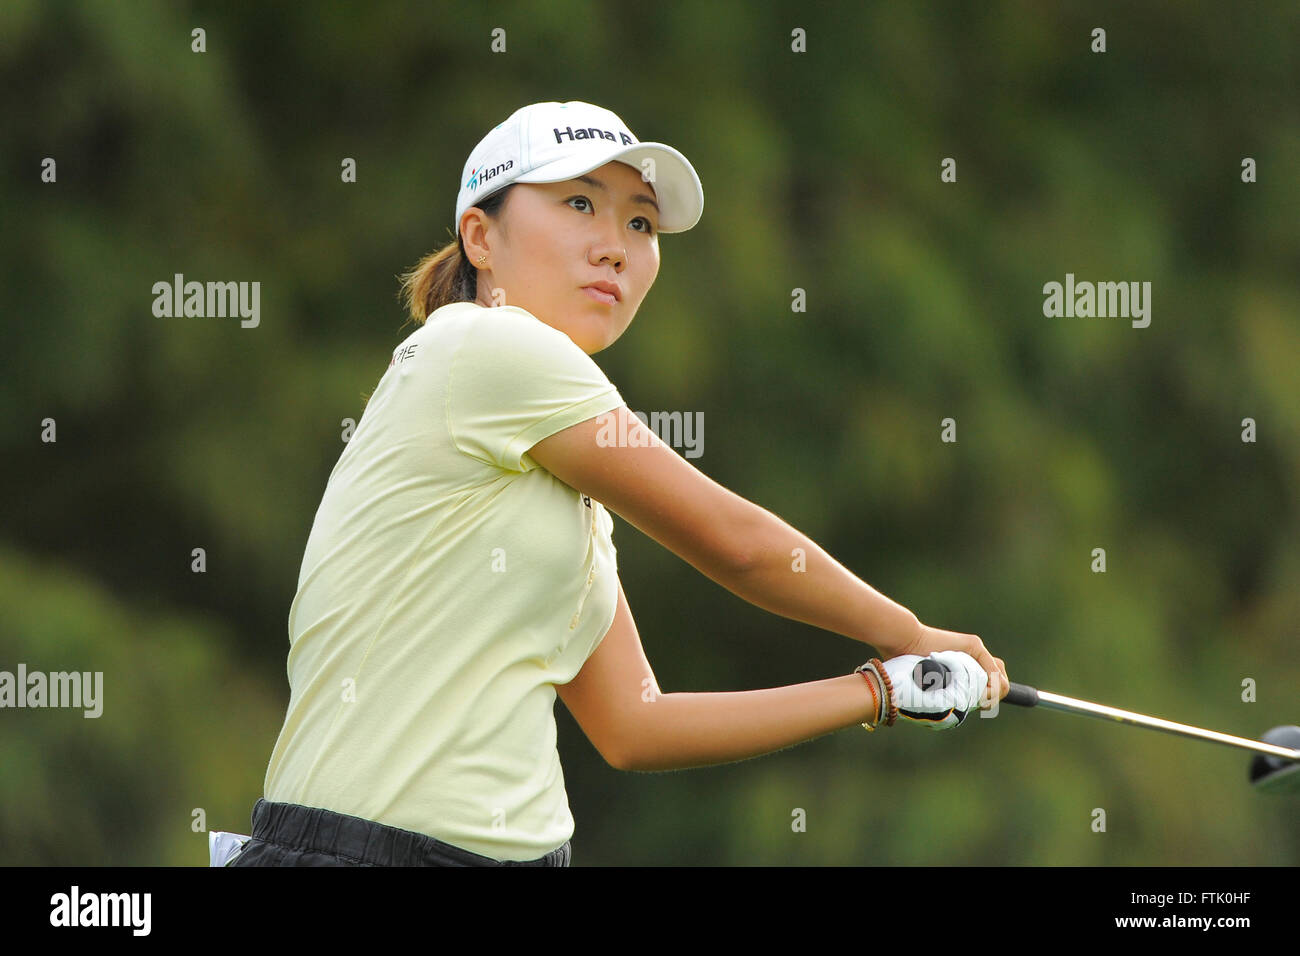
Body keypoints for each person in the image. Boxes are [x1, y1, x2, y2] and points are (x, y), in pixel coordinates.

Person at [229, 100, 1010, 868]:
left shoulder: (567, 493)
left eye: (640, 223)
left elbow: (637, 726)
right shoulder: (485, 345)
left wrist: (883, 689)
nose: (616, 247)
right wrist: (906, 634)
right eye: (579, 204)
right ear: (480, 237)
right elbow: (735, 544)